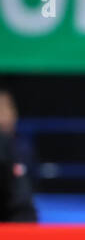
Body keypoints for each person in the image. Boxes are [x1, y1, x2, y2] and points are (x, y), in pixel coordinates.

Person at [0, 90, 37, 222]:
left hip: (20, 224)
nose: (8, 115)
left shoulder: (23, 148)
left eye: (10, 108)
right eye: (2, 110)